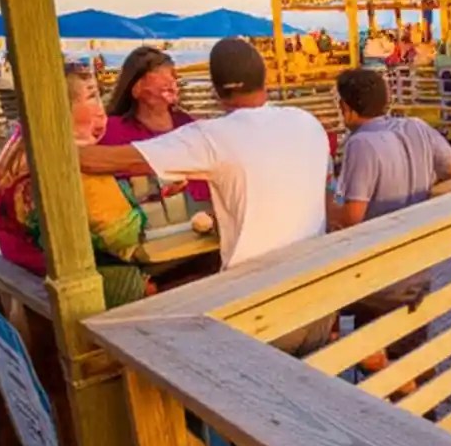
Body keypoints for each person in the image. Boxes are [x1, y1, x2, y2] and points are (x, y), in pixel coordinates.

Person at [78, 37, 331, 272]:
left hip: (252, 293)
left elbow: (100, 161)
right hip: (316, 278)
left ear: (216, 90)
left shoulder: (209, 136)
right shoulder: (308, 122)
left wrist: (50, 149)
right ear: (265, 79)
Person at [331, 69, 451, 380]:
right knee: (412, 351)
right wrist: (421, 184)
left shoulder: (359, 144)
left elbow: (352, 216)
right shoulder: (415, 127)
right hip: (417, 269)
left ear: (346, 108)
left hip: (379, 281)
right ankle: (420, 404)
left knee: (327, 318)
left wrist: (324, 204)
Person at [0, 65, 151, 307]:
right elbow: (123, 236)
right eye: (92, 96)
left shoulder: (16, 151)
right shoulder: (74, 164)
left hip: (30, 285)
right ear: (60, 110)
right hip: (87, 296)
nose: (102, 110)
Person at [101, 46, 210, 203]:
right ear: (136, 88)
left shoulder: (187, 126)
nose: (172, 84)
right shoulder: (112, 131)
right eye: (163, 83)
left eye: (173, 78)